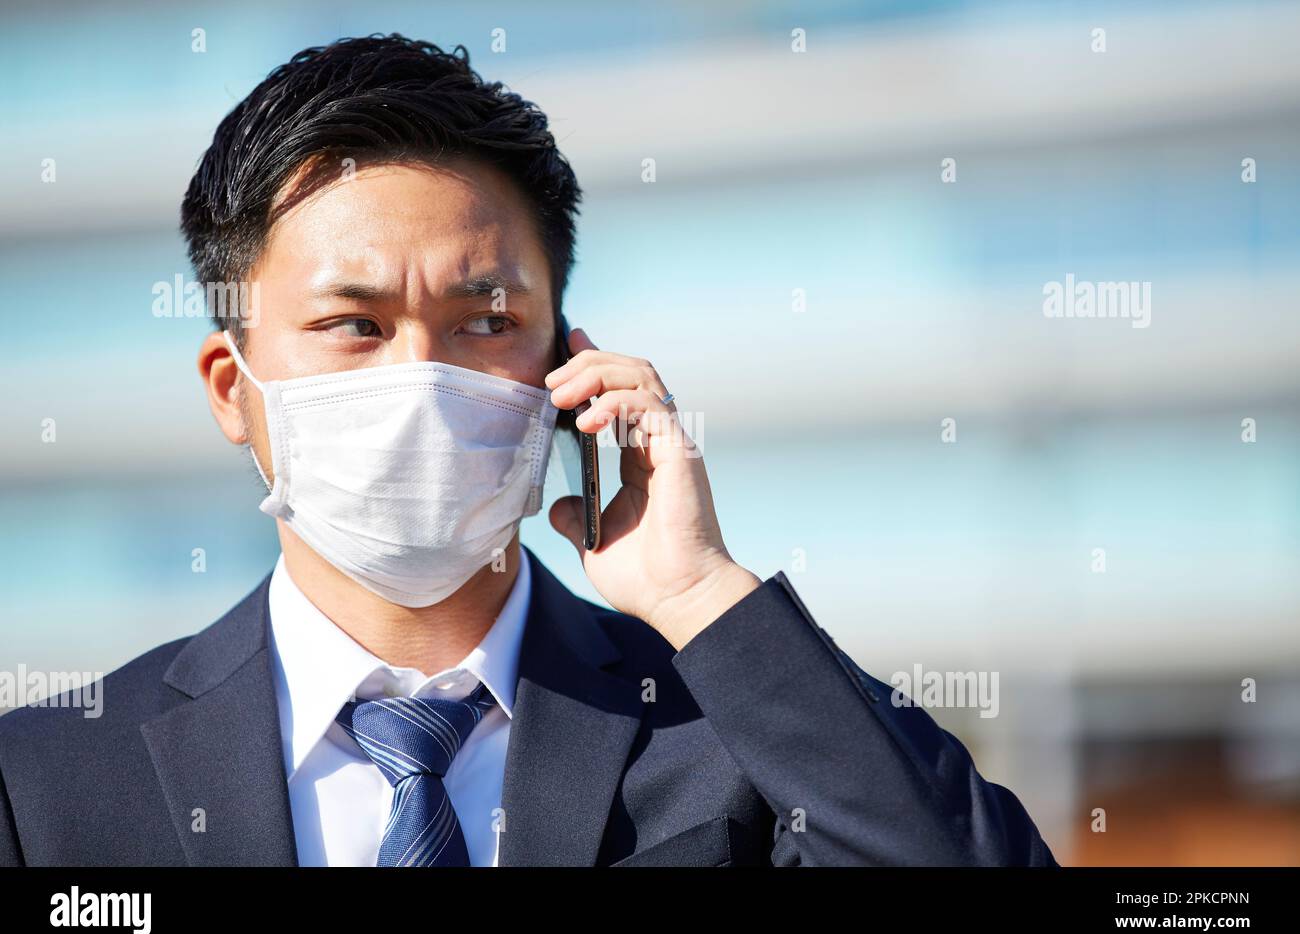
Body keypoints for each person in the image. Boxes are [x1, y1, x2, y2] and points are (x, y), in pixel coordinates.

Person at [0, 34, 1057, 867]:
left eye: (485, 319)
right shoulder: (46, 781)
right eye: (354, 324)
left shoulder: (729, 735)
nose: (418, 378)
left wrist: (696, 591)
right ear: (235, 391)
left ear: (568, 365)